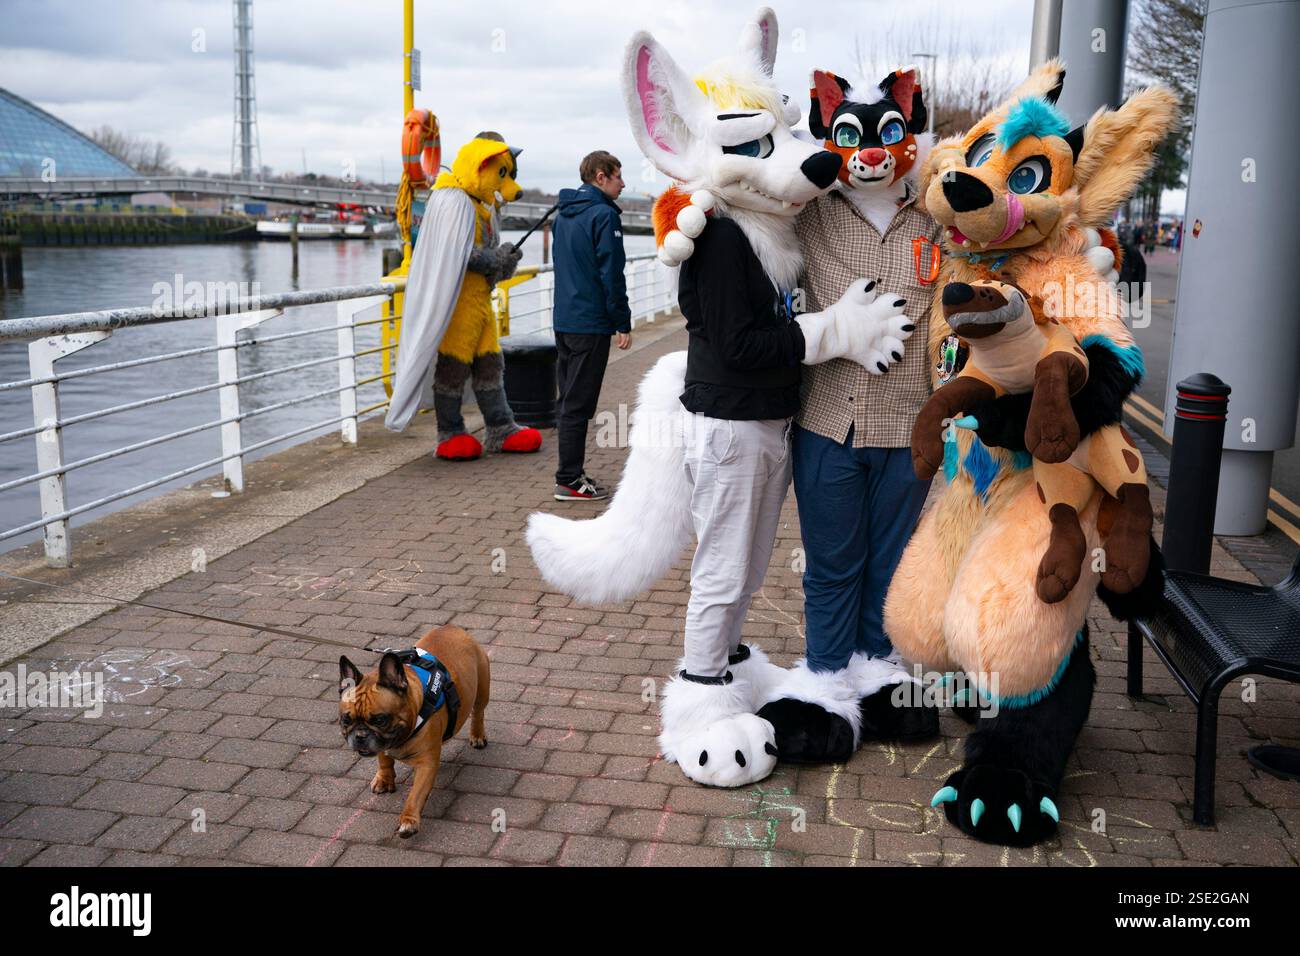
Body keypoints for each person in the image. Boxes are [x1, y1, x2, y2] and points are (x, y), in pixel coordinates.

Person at [550, 150, 631, 501]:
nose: (623, 183)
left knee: (568, 398)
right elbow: (611, 274)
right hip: (590, 322)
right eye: (617, 177)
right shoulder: (603, 216)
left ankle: (571, 473)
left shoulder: (563, 215)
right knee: (578, 403)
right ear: (600, 176)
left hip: (564, 319)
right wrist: (622, 322)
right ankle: (569, 479)